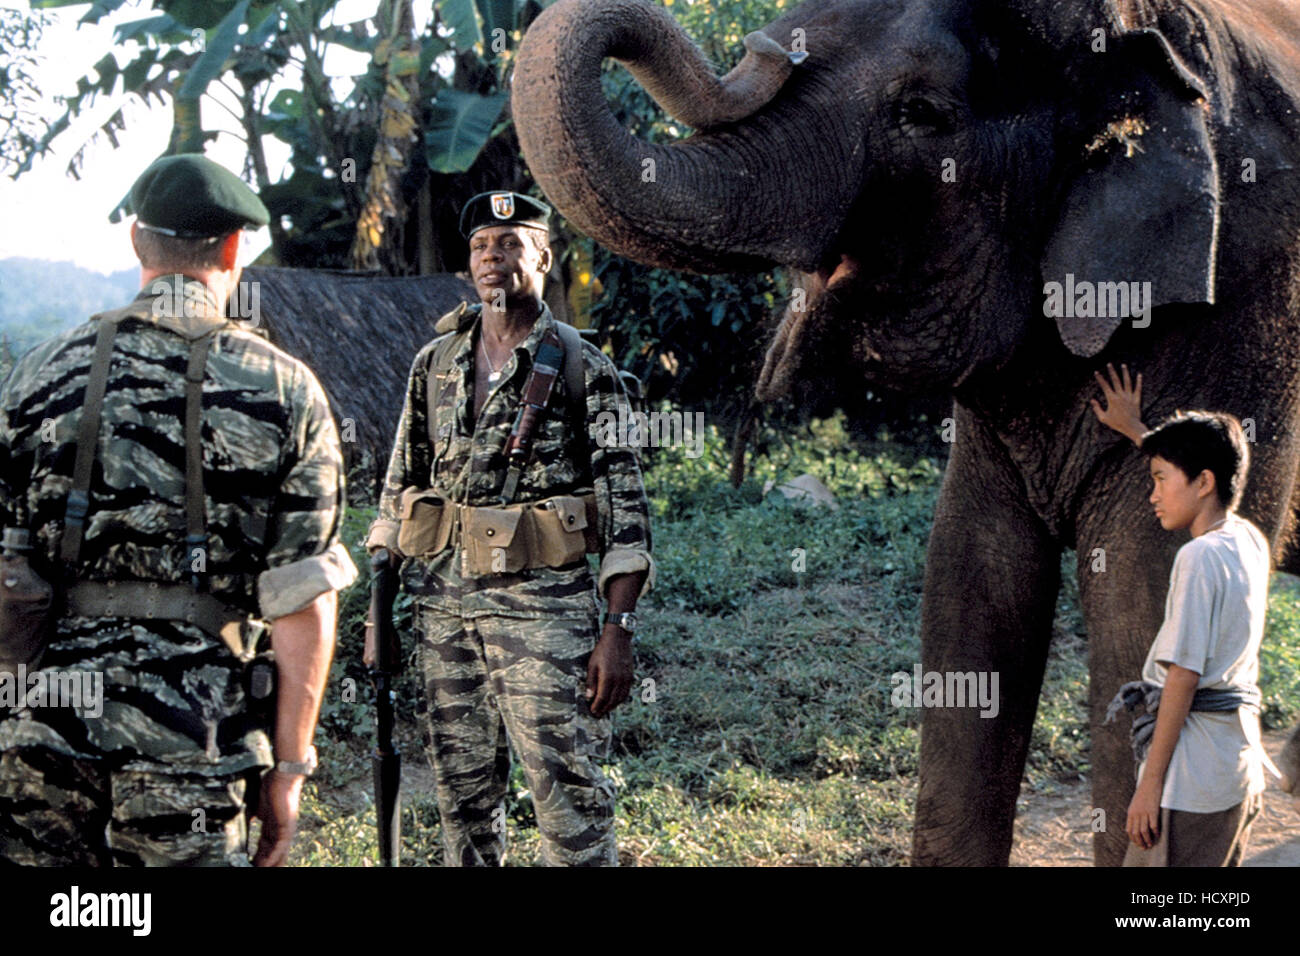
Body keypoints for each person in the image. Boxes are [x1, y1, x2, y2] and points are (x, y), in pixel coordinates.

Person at [0, 154, 356, 866]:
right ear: (232, 249)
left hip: (37, 738)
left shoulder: (37, 374)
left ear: (136, 242)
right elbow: (302, 604)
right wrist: (288, 772)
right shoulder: (284, 390)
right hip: (195, 741)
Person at [366, 190, 653, 866]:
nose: (493, 258)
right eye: (480, 247)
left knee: (568, 794)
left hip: (544, 613)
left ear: (543, 259)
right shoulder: (433, 363)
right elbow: (397, 485)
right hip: (444, 609)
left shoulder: (585, 367)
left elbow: (628, 514)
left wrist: (617, 633)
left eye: (510, 244)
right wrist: (379, 614)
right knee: (461, 796)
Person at [1093, 363, 1277, 866]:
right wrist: (1138, 432)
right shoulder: (1248, 540)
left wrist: (1149, 787)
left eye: (1159, 479)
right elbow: (1204, 464)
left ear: (1202, 482)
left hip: (1189, 785)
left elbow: (1183, 677)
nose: (1153, 493)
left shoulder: (1196, 558)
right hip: (1236, 771)